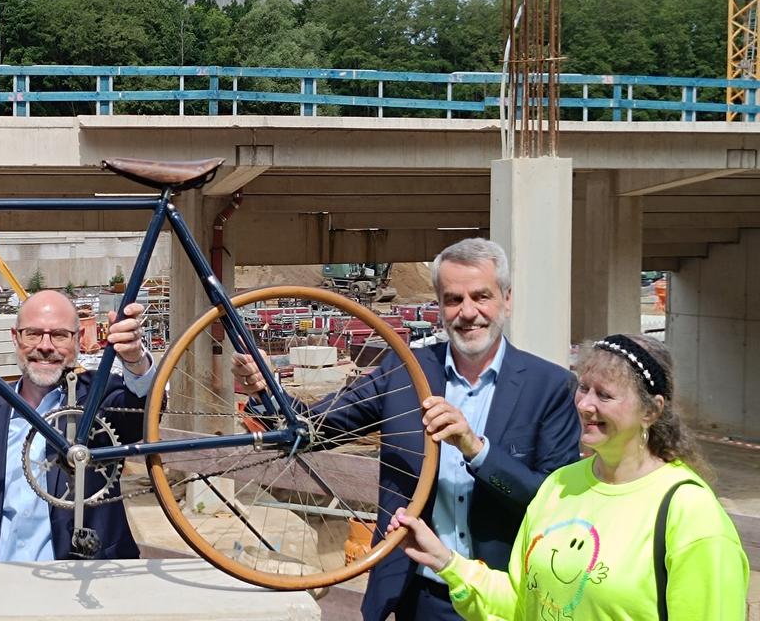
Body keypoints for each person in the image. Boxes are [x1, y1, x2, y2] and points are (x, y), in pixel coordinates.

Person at [232, 238, 580, 621]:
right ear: (439, 306)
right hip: (419, 596)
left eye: (481, 296)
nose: (468, 312)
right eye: (453, 299)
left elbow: (558, 503)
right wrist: (265, 390)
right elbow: (314, 429)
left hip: (509, 597)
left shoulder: (549, 387)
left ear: (507, 300)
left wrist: (477, 450)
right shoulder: (404, 372)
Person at [389, 333, 749, 620]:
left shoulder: (689, 513)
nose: (585, 405)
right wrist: (446, 561)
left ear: (651, 411)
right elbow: (521, 603)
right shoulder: (560, 486)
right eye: (584, 387)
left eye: (604, 395)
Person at [0, 290, 155, 566]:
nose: (45, 346)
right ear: (15, 337)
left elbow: (141, 411)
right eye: (33, 334)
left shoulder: (99, 397)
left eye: (59, 335)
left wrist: (135, 361)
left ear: (79, 339)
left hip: (88, 578)